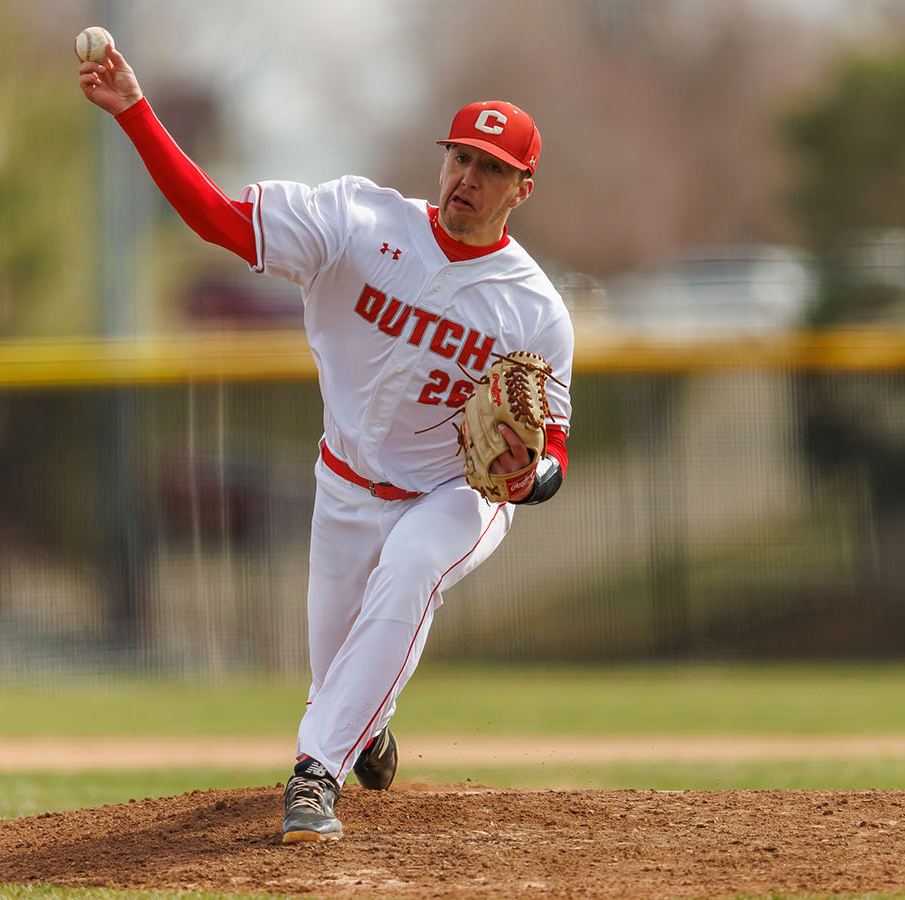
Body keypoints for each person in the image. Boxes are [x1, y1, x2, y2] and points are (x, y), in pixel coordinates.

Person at [79, 46, 574, 842]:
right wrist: (136, 112)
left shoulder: (535, 308)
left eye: (491, 168)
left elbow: (551, 444)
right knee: (333, 680)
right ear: (442, 160)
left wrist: (531, 478)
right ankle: (366, 728)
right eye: (460, 158)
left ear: (523, 187)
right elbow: (217, 217)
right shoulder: (356, 223)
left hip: (456, 495)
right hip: (343, 489)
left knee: (414, 568)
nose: (468, 180)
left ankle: (314, 780)